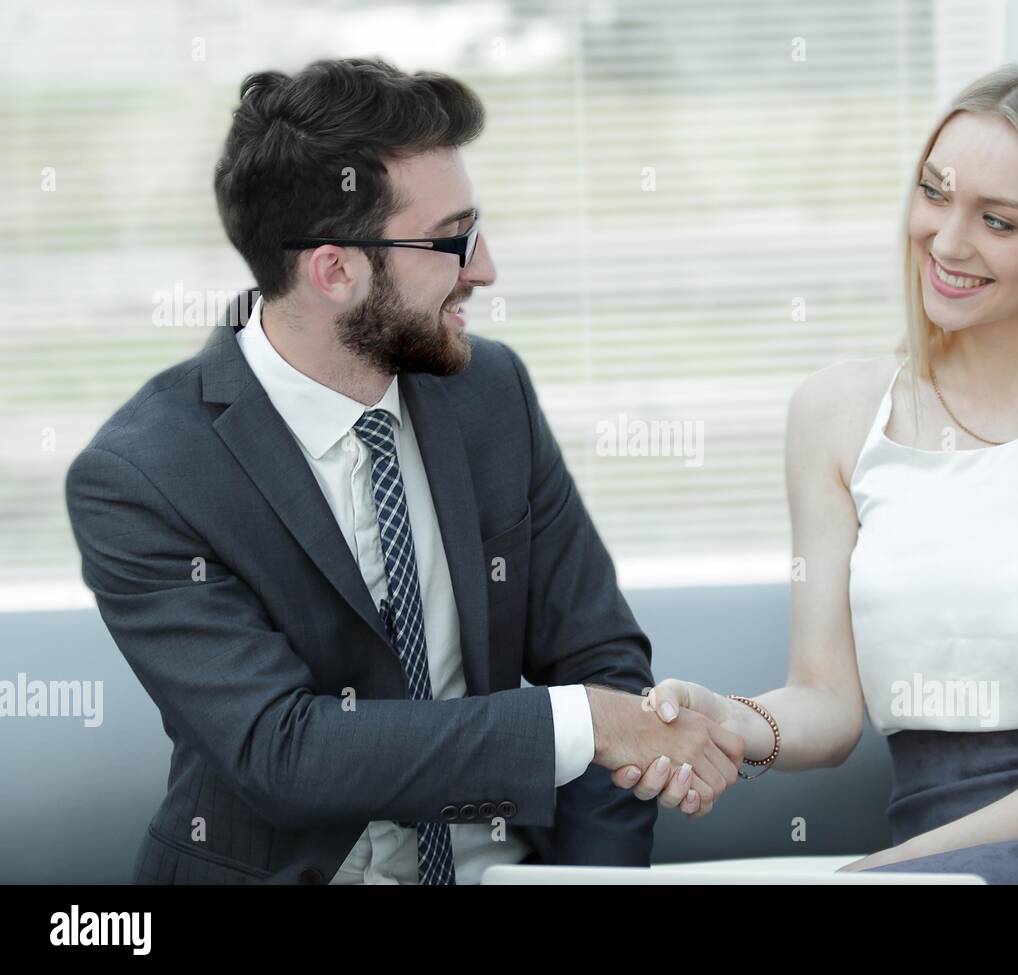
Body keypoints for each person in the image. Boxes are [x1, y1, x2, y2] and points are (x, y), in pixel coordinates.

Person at [64, 57, 743, 886]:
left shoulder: (490, 393)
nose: (484, 267)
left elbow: (602, 662)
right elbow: (283, 749)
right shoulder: (143, 476)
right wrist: (580, 724)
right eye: (452, 239)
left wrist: (591, 881)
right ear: (335, 270)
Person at [618, 62, 1018, 883]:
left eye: (999, 220)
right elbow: (829, 702)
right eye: (935, 192)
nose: (947, 241)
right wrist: (729, 718)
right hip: (933, 860)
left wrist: (908, 865)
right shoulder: (836, 414)